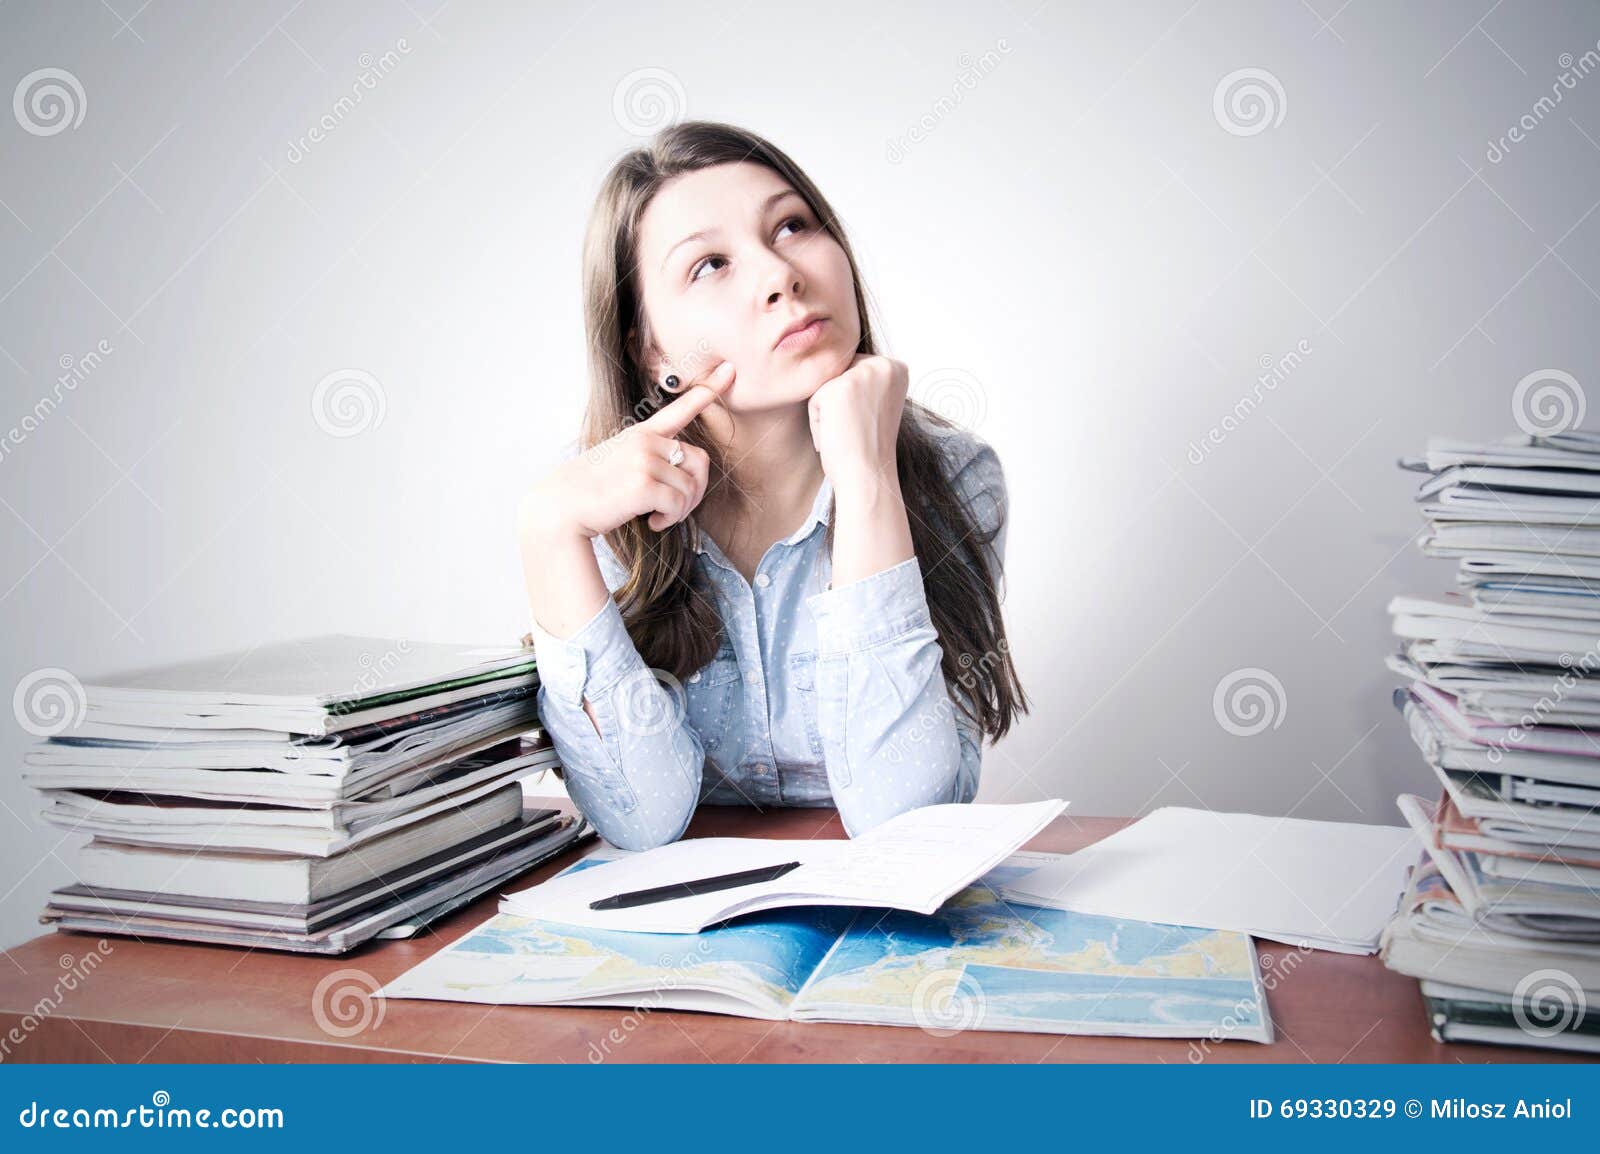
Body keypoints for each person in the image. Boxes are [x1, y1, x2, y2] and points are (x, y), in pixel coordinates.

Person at [517, 120, 1027, 850]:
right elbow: (640, 818)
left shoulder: (956, 477)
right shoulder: (601, 508)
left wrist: (870, 480)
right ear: (650, 345)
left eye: (792, 226)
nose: (779, 276)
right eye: (710, 265)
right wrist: (547, 531)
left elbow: (903, 821)